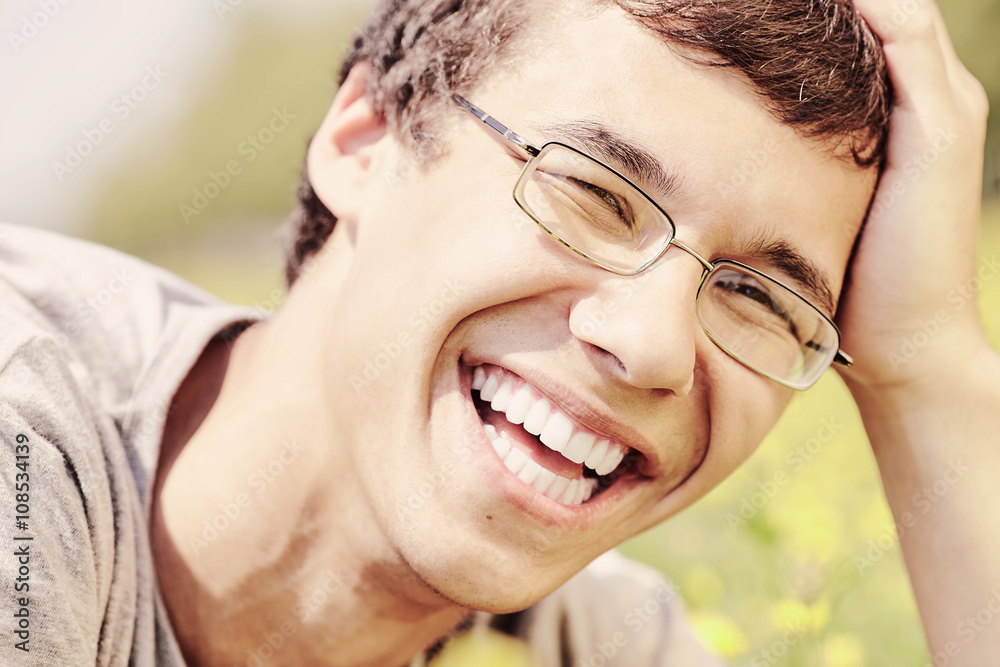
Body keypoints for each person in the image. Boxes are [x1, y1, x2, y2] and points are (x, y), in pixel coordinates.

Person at [0, 0, 994, 664]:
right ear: (366, 141)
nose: (650, 344)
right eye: (595, 195)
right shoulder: (21, 427)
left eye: (759, 299)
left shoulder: (601, 640)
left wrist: (928, 372)